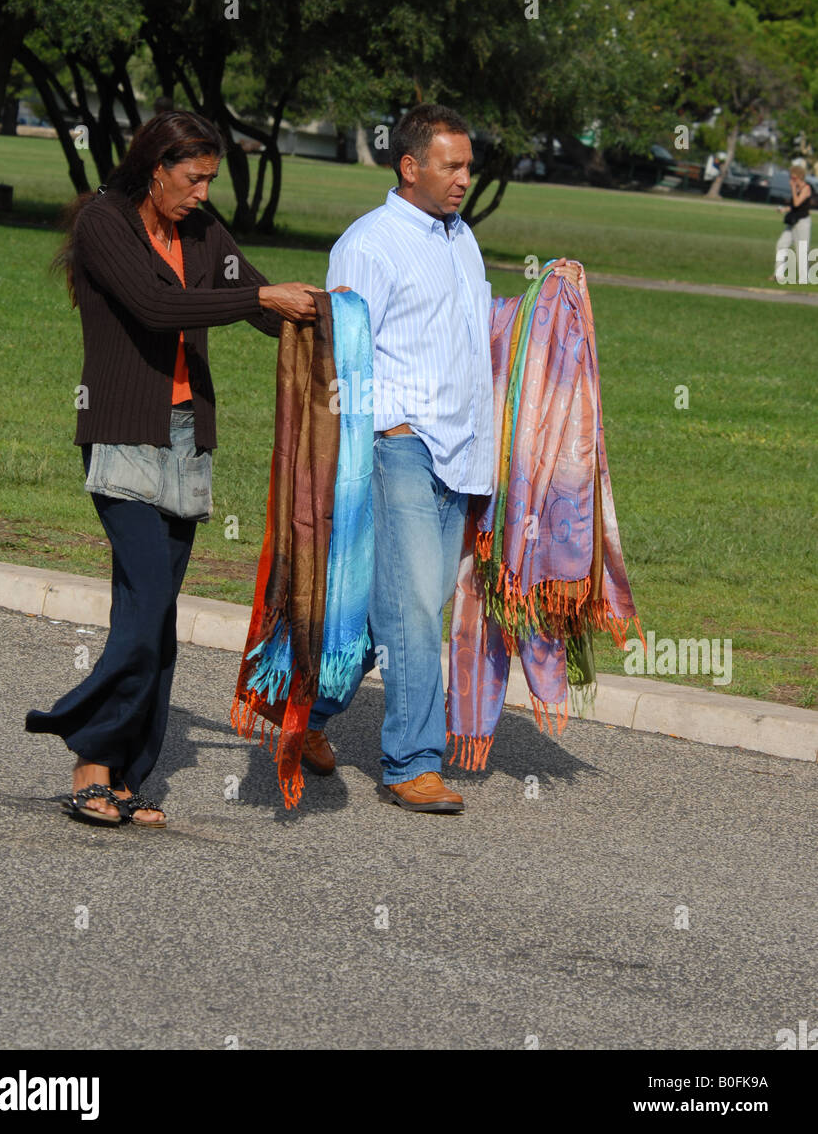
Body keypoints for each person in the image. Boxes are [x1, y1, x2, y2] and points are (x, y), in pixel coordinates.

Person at [26, 111, 323, 827]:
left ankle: (127, 776)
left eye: (210, 180)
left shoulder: (199, 229)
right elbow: (159, 307)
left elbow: (255, 300)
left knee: (157, 624)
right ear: (155, 168)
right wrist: (260, 297)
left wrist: (335, 314)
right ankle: (88, 754)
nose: (202, 192)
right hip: (124, 432)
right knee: (147, 603)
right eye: (193, 178)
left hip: (187, 439)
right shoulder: (106, 222)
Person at [303, 104, 496, 813]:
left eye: (468, 166)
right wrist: (377, 440)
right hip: (399, 444)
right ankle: (412, 763)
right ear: (409, 166)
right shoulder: (370, 244)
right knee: (414, 610)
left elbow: (467, 326)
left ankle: (307, 716)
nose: (464, 179)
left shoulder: (460, 237)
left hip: (460, 449)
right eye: (452, 165)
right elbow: (344, 356)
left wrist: (546, 304)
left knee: (395, 610)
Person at [773, 163, 813, 284]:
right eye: (791, 177)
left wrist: (792, 188)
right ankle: (778, 275)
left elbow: (797, 203)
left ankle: (803, 277)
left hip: (802, 223)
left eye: (794, 178)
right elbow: (793, 207)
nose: (791, 180)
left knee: (801, 249)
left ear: (800, 177)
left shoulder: (806, 188)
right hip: (793, 221)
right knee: (781, 244)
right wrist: (783, 209)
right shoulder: (797, 188)